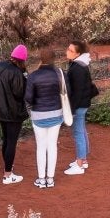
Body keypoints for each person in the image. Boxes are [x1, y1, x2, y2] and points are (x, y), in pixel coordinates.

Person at [24, 52, 72, 189]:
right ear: (53, 60)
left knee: (41, 147)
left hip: (38, 115)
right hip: (56, 114)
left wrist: (35, 105)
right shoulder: (60, 73)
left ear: (41, 59)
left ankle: (41, 179)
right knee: (52, 146)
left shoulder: (33, 76)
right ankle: (50, 179)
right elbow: (67, 91)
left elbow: (28, 97)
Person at [0, 44, 30, 185]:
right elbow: (20, 93)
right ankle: (8, 175)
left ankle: (8, 166)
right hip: (13, 112)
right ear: (23, 59)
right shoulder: (17, 72)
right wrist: (25, 79)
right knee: (12, 141)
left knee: (6, 139)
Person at [64, 40, 98, 176]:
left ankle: (79, 164)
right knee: (81, 130)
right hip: (83, 103)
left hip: (79, 105)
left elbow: (77, 92)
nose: (67, 51)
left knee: (78, 132)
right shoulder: (81, 64)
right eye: (68, 49)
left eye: (71, 50)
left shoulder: (77, 68)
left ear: (78, 53)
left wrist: (71, 110)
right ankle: (83, 159)